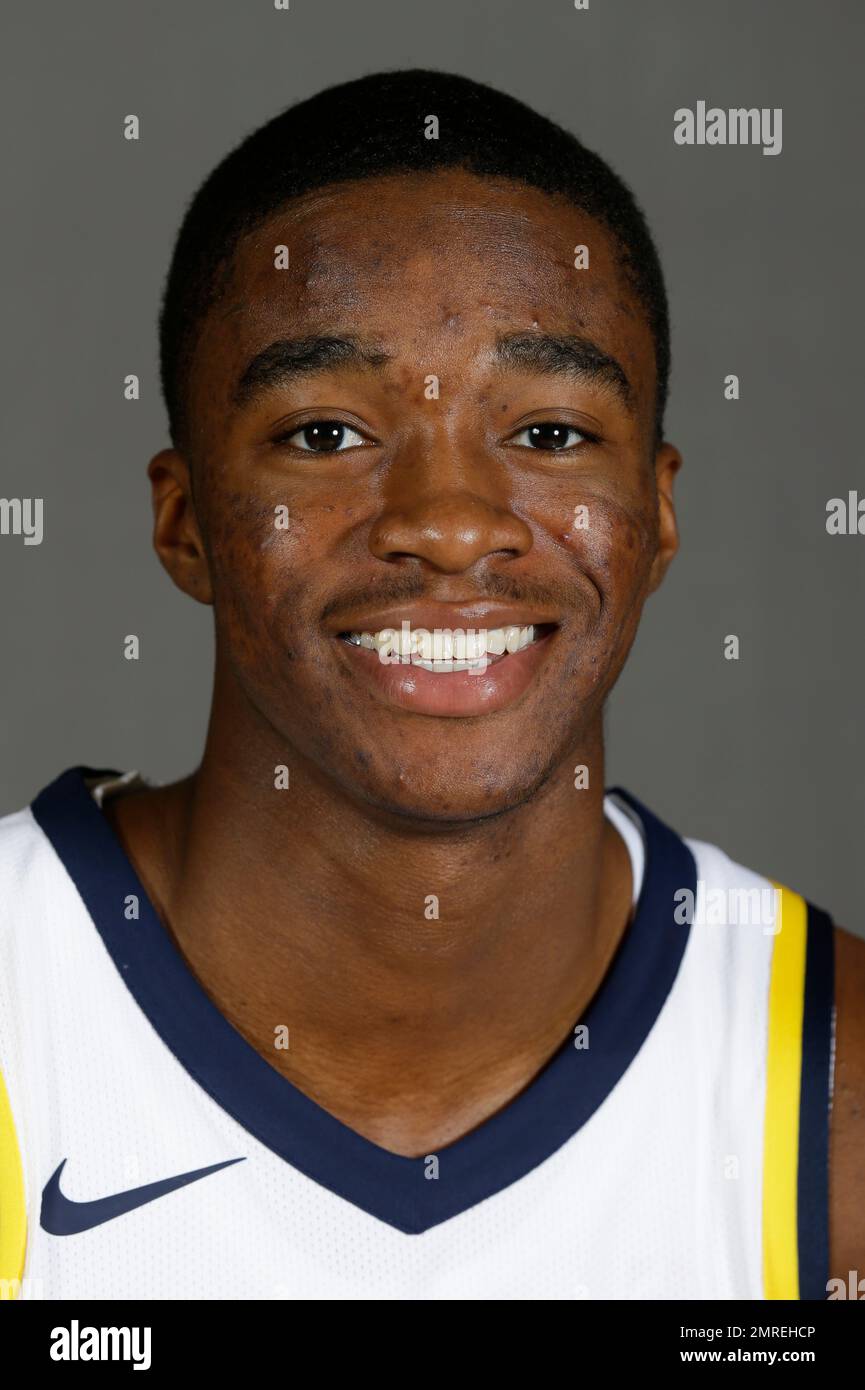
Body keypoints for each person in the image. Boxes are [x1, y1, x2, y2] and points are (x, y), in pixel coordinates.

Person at [1, 69, 862, 1301]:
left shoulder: (839, 1105)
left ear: (655, 516)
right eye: (326, 435)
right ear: (186, 522)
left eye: (550, 433)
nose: (451, 523)